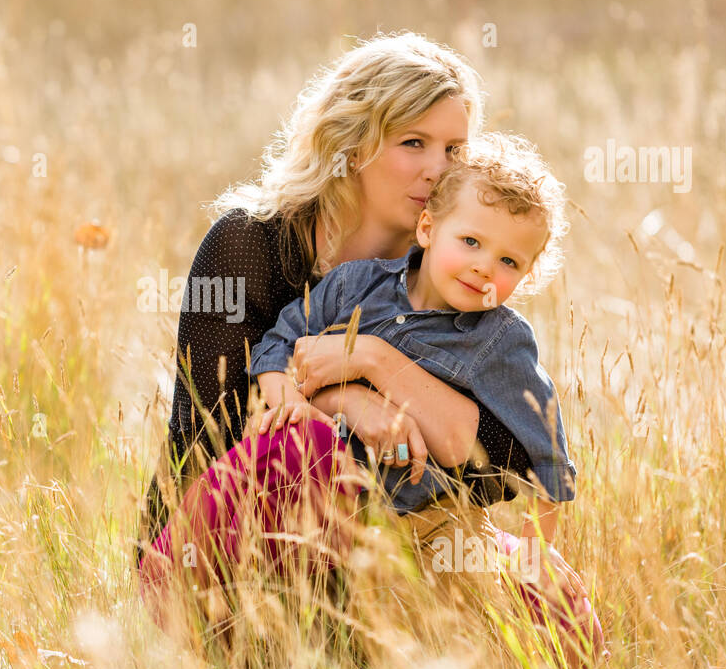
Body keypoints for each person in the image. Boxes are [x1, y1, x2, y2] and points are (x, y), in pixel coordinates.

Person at [137, 31, 532, 576]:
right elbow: (213, 430)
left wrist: (375, 359)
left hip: (395, 548)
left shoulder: (451, 271)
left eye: (454, 150)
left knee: (556, 599)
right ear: (352, 143)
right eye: (413, 143)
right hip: (218, 551)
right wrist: (345, 403)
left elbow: (503, 469)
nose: (438, 170)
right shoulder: (248, 245)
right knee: (308, 446)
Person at [248, 132, 605, 665]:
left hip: (432, 527)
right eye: (471, 242)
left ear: (526, 275)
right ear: (428, 228)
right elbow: (279, 347)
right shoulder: (352, 288)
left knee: (429, 662)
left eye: (509, 261)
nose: (486, 267)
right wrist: (292, 405)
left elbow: (547, 459)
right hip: (323, 514)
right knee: (322, 639)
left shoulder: (501, 340)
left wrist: (538, 555)